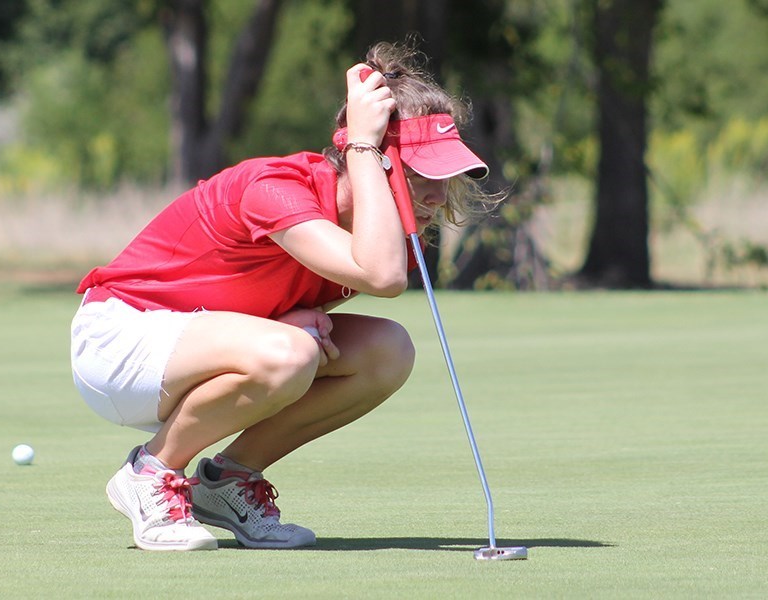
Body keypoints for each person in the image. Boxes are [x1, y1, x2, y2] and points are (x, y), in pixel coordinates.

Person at [69, 41, 490, 551]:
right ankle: (151, 472)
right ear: (369, 158)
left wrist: (290, 319)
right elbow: (383, 278)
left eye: (444, 178)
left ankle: (228, 482)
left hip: (202, 351)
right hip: (119, 342)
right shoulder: (273, 185)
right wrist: (362, 141)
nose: (437, 196)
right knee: (290, 353)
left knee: (388, 350)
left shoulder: (383, 232)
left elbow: (364, 277)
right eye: (421, 175)